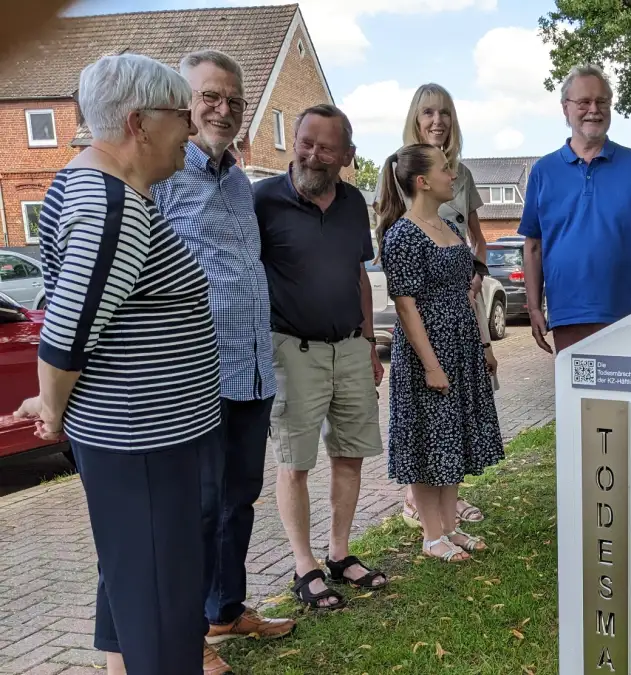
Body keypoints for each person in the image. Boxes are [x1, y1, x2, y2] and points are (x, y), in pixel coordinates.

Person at [14, 53, 219, 675]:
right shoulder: (115, 206)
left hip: (139, 434)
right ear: (139, 123)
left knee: (135, 580)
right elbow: (71, 326)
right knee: (163, 601)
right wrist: (50, 405)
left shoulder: (94, 187)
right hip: (143, 439)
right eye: (182, 116)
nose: (191, 129)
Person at [151, 49, 296, 672]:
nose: (224, 109)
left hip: (252, 369)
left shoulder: (237, 178)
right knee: (198, 507)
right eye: (211, 96)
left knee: (240, 498)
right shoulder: (157, 176)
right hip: (196, 374)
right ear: (184, 101)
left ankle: (225, 611)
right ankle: (187, 637)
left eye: (234, 100)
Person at [255, 103, 389, 611]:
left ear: (347, 156)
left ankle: (339, 553)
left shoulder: (355, 202)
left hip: (350, 349)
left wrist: (367, 339)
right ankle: (303, 565)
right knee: (294, 462)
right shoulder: (262, 199)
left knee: (349, 454)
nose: (312, 154)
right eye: (305, 142)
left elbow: (359, 275)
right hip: (291, 350)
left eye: (325, 147)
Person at [376, 143, 505, 562]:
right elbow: (406, 305)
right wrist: (431, 364)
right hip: (427, 351)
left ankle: (451, 526)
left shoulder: (448, 227)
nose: (454, 176)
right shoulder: (403, 233)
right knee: (428, 441)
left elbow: (468, 292)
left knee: (454, 438)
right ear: (422, 181)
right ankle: (432, 535)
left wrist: (482, 343)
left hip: (461, 344)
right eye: (445, 170)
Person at [518, 63, 631, 352]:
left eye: (602, 101)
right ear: (565, 108)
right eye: (584, 102)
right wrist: (535, 308)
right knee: (578, 398)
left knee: (629, 398)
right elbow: (533, 246)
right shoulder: (543, 171)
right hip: (568, 316)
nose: (594, 109)